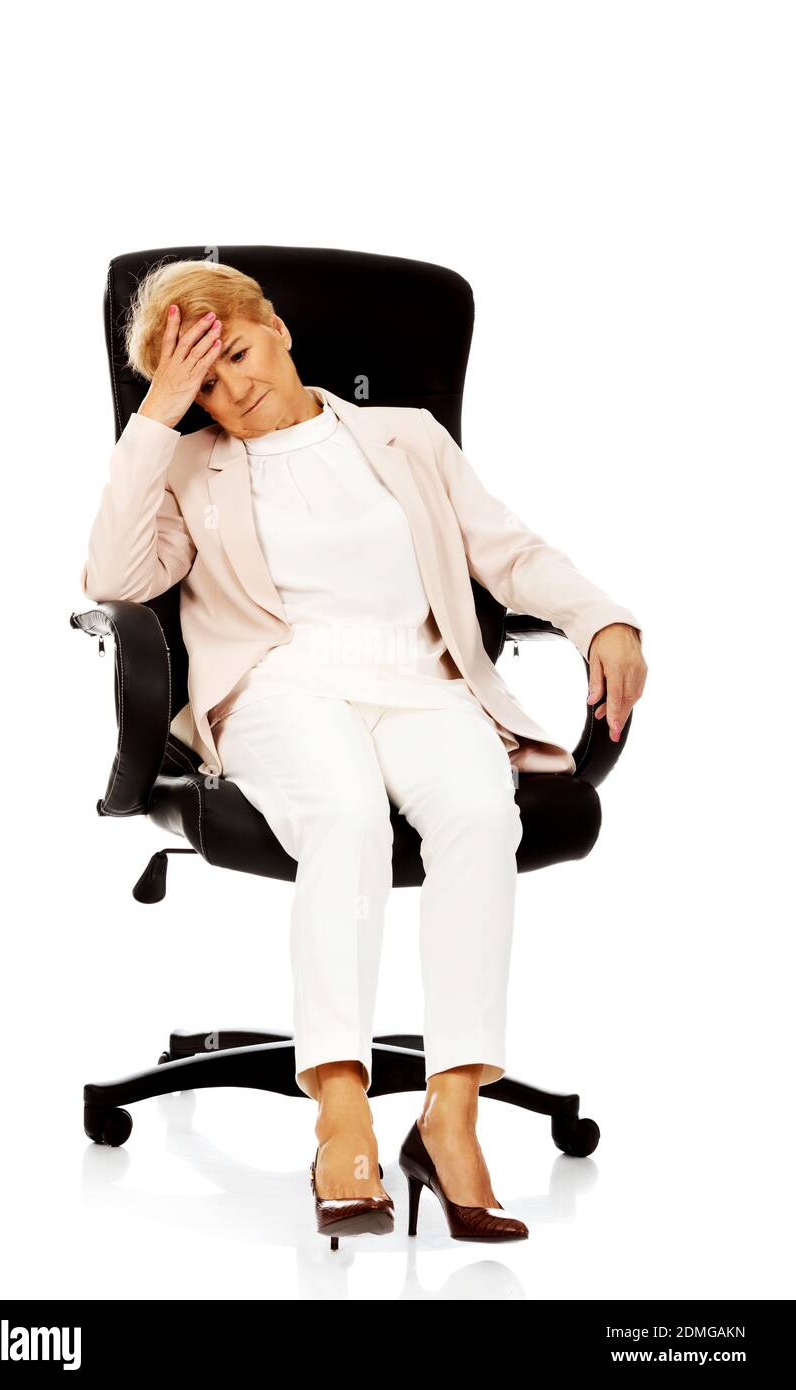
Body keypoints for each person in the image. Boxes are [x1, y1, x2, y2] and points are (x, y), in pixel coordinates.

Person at [82, 259, 647, 1244]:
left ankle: (451, 1117)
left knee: (478, 809)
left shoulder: (403, 435)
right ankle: (339, 1110)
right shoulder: (186, 462)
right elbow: (116, 576)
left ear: (277, 326)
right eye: (203, 381)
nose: (234, 390)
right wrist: (156, 417)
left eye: (239, 356)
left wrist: (601, 620)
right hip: (279, 686)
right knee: (341, 812)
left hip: (422, 683)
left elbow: (504, 550)